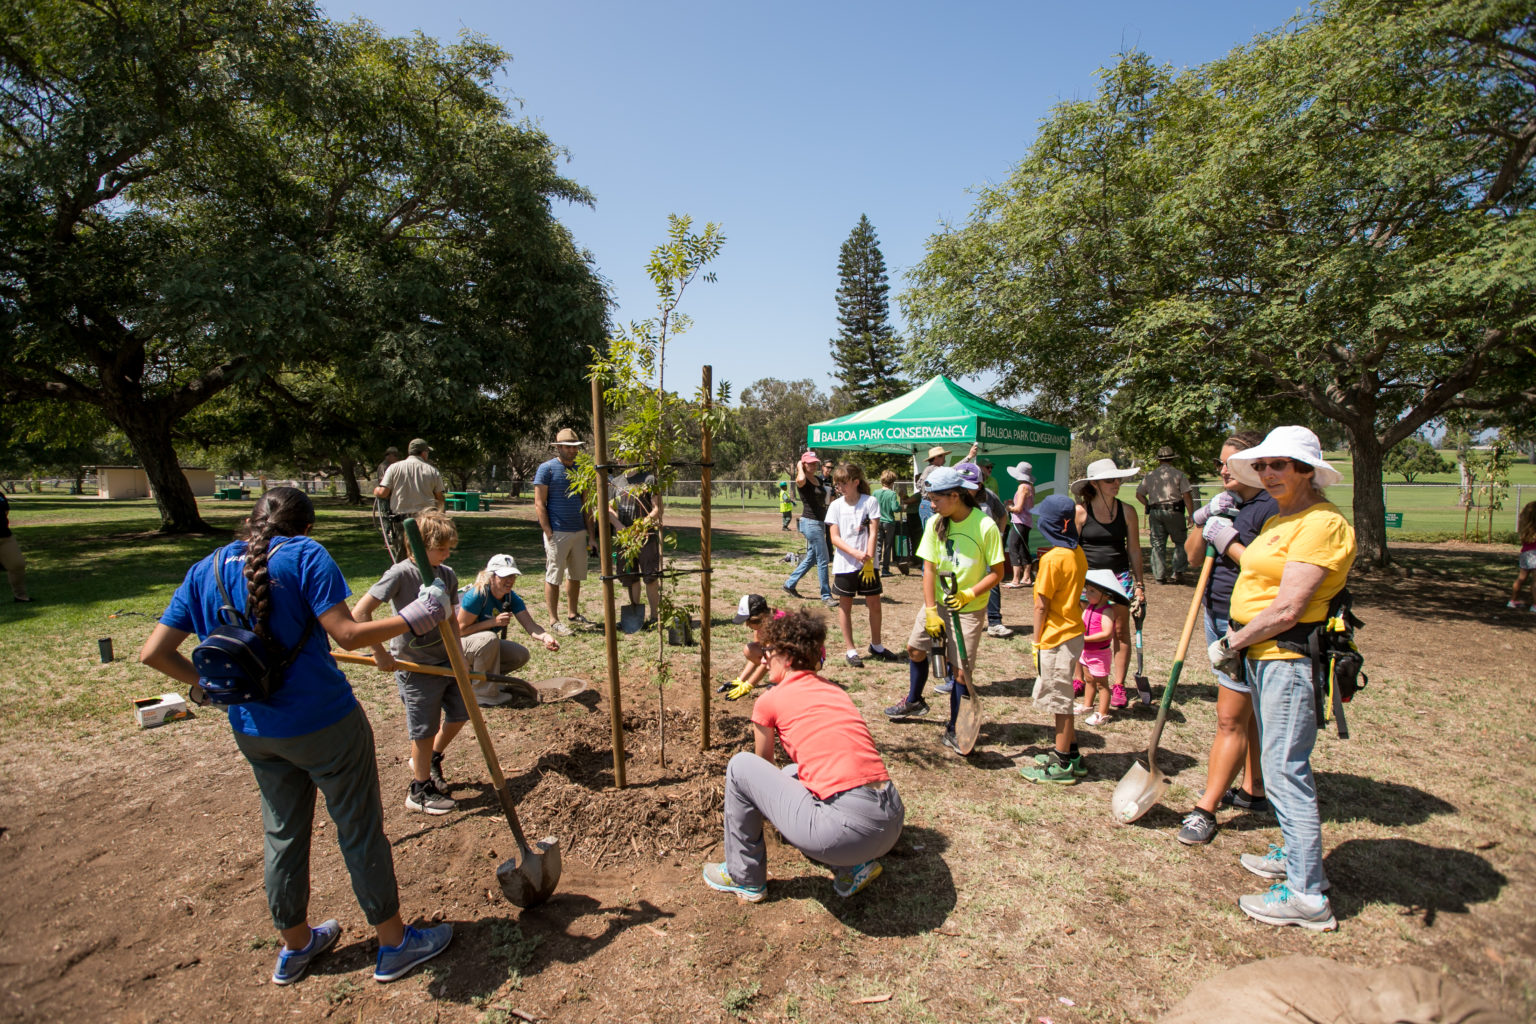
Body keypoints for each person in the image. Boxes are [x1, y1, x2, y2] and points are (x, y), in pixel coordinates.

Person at [138, 488, 453, 986]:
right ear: (307, 527)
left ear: (250, 520)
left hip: (254, 729)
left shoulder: (205, 570)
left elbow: (153, 653)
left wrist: (207, 692)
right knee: (359, 827)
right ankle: (394, 943)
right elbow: (346, 634)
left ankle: (295, 945)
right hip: (325, 722)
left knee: (282, 832)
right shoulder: (307, 556)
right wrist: (419, 614)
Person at [1214, 425, 1355, 931]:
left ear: (1307, 471)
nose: (1269, 473)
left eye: (1281, 465)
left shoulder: (1321, 523)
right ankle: (1298, 859)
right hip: (1262, 654)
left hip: (1286, 657)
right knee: (1279, 764)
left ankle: (1306, 896)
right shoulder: (1284, 516)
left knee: (1283, 769)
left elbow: (1290, 607)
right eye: (1265, 465)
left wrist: (1232, 641)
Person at [702, 609, 904, 903]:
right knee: (794, 773)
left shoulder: (769, 700)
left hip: (847, 832)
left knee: (740, 767)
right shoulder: (834, 691)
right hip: (891, 819)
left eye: (768, 651)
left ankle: (744, 876)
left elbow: (762, 770)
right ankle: (853, 867)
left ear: (786, 654)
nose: (762, 659)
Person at [1175, 431, 1278, 846]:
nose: (1221, 469)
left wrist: (1230, 540)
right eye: (1220, 462)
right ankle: (1253, 788)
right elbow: (1193, 556)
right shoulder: (1232, 505)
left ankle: (1206, 808)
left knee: (1230, 718)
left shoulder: (1272, 509)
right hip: (1215, 612)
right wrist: (1203, 521)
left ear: (1255, 465)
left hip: (1246, 623)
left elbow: (1272, 572)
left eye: (1229, 463)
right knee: (1245, 709)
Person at [882, 466, 1005, 755]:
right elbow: (928, 568)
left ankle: (954, 726)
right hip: (937, 605)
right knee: (914, 649)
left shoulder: (984, 526)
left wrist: (968, 594)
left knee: (960, 672)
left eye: (936, 500)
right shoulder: (936, 523)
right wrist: (931, 610)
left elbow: (998, 572)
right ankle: (915, 700)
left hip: (969, 610)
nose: (932, 505)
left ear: (955, 495)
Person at [351, 510, 466, 816]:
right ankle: (420, 789)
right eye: (440, 548)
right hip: (415, 668)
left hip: (445, 662)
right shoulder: (400, 574)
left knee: (461, 713)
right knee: (424, 729)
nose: (446, 553)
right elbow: (360, 614)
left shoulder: (448, 574)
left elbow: (452, 618)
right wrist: (380, 653)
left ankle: (431, 758)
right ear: (418, 546)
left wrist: (459, 655)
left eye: (448, 548)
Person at [1019, 495, 1090, 783]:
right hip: (1073, 633)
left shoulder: (1051, 559)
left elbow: (1041, 605)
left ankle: (1061, 764)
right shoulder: (1077, 553)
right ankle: (1071, 753)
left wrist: (1036, 642)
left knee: (1060, 702)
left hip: (1056, 637)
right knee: (1064, 697)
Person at [1073, 458, 1146, 709]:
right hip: (1088, 580)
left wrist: (1140, 585)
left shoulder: (1127, 511)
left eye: (1118, 479)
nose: (1116, 483)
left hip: (1119, 579)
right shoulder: (1080, 512)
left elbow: (1134, 550)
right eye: (1109, 479)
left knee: (1119, 632)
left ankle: (1119, 684)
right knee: (1083, 630)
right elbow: (1072, 549)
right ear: (1094, 484)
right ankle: (1079, 677)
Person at [457, 555, 560, 708]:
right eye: (504, 576)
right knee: (489, 638)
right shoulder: (477, 595)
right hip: (458, 649)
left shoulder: (511, 597)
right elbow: (459, 631)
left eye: (512, 575)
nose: (510, 580)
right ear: (491, 576)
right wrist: (492, 622)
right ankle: (482, 695)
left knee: (520, 654)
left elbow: (530, 625)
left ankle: (486, 681)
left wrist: (545, 637)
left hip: (481, 647)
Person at [825, 462, 898, 667]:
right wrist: (854, 553)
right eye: (837, 484)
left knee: (874, 604)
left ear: (856, 482)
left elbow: (874, 531)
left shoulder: (870, 501)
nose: (840, 487)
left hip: (867, 565)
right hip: (845, 565)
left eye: (844, 483)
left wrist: (868, 557)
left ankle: (876, 645)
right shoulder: (835, 506)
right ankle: (850, 650)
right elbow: (835, 538)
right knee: (845, 605)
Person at [534, 427, 599, 636]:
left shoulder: (580, 470)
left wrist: (592, 535)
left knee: (576, 575)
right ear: (559, 447)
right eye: (568, 447)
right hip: (558, 532)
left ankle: (573, 613)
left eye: (575, 447)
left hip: (579, 531)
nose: (572, 451)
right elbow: (539, 503)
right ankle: (554, 620)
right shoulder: (547, 469)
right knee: (554, 576)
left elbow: (586, 504)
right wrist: (548, 532)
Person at [958, 462, 1012, 638]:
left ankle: (995, 622)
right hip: (964, 547)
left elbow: (1003, 514)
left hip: (986, 545)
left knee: (992, 580)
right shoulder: (954, 498)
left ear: (979, 485)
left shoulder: (989, 497)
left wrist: (1001, 534)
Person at [1074, 570, 1129, 728]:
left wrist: (1084, 638)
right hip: (1086, 652)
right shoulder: (1089, 608)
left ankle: (1103, 713)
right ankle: (1087, 705)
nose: (1087, 594)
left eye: (1092, 591)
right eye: (1087, 590)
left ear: (1105, 595)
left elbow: (1106, 634)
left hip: (1099, 654)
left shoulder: (1106, 611)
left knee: (1101, 684)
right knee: (1089, 679)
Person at [783, 452, 836, 608]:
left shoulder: (819, 480)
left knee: (812, 557)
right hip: (810, 522)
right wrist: (799, 466)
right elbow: (799, 479)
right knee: (823, 559)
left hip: (820, 521)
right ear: (804, 464)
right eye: (809, 463)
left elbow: (826, 500)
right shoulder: (803, 480)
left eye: (815, 463)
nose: (813, 465)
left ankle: (789, 584)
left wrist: (832, 495)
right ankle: (826, 595)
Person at [610, 469, 662, 626]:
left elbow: (657, 509)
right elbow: (609, 508)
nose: (621, 459)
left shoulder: (649, 479)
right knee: (630, 575)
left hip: (646, 537)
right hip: (624, 537)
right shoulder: (615, 482)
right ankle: (635, 614)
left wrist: (639, 528)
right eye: (619, 455)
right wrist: (619, 526)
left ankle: (655, 617)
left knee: (650, 576)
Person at [1137, 446, 1196, 584]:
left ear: (1159, 460)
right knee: (1180, 542)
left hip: (1155, 511)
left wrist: (1147, 504)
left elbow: (1139, 494)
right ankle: (1177, 572)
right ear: (1172, 459)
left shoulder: (1150, 476)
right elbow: (1186, 495)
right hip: (1174, 511)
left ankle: (1159, 575)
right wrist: (1191, 514)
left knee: (1157, 543)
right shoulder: (1178, 475)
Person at [720, 593, 780, 701]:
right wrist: (740, 680)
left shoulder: (774, 626)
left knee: (773, 657)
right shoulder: (762, 625)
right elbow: (760, 656)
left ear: (756, 618)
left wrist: (748, 686)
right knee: (750, 650)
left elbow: (767, 662)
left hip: (809, 658)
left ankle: (788, 682)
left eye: (748, 621)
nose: (747, 625)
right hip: (787, 656)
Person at [374, 438, 445, 516]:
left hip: (400, 517)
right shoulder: (432, 471)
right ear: (423, 453)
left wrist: (377, 490)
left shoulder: (393, 468)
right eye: (427, 452)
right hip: (426, 518)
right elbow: (439, 497)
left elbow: (383, 493)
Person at [1004, 463, 1036, 588]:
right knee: (1023, 548)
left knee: (1013, 548)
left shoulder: (1023, 487)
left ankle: (1016, 579)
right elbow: (1030, 506)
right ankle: (1026, 577)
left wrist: (1009, 507)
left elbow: (1018, 508)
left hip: (1019, 522)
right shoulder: (1031, 487)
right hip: (1026, 522)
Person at [0, 491, 30, 602]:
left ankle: (20, 596)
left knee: (17, 564)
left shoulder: (0, 495)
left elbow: (5, 511)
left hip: (5, 536)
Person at [1508, 501, 1536, 611]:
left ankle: (1513, 601)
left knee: (1521, 578)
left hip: (1525, 554)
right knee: (1535, 581)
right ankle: (1535, 605)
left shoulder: (1525, 528)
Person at [873, 470, 902, 576]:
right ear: (892, 482)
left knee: (878, 545)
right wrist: (901, 507)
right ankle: (885, 569)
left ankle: (876, 567)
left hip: (878, 521)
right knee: (888, 546)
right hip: (889, 522)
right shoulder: (892, 494)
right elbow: (894, 508)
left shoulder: (876, 493)